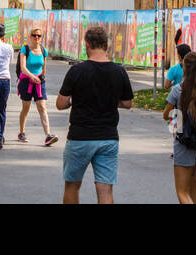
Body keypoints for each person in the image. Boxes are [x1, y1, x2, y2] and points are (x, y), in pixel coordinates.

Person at [56, 25, 134, 204]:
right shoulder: (119, 71)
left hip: (79, 137)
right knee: (105, 190)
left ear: (86, 45)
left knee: (72, 186)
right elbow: (128, 102)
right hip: (108, 138)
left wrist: (73, 101)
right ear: (107, 46)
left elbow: (61, 103)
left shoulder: (77, 71)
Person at [162, 51, 196, 203]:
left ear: (184, 68)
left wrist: (176, 118)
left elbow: (166, 115)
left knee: (182, 191)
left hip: (184, 142)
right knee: (194, 186)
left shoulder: (178, 90)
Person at [16, 26, 58, 146]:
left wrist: (41, 77)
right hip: (26, 81)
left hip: (39, 82)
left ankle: (48, 135)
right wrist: (31, 76)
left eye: (39, 36)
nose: (36, 38)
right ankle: (22, 132)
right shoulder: (25, 50)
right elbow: (23, 68)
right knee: (26, 107)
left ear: (41, 38)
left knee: (42, 107)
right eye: (34, 35)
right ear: (30, 36)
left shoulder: (44, 51)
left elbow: (44, 68)